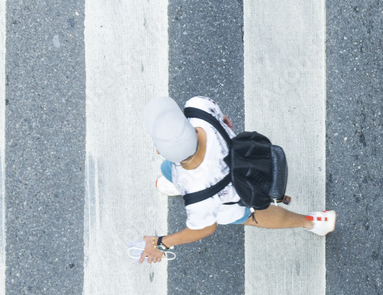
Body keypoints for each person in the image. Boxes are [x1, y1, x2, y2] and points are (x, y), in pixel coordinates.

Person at [137, 95, 335, 263]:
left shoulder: (198, 199)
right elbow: (223, 119)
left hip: (234, 200)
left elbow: (203, 229)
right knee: (168, 170)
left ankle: (310, 222)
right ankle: (316, 222)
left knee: (251, 217)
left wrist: (160, 243)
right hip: (242, 161)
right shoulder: (197, 107)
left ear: (158, 150)